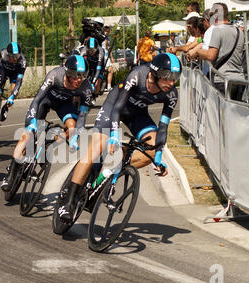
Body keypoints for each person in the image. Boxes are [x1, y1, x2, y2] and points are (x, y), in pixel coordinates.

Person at [57, 53, 180, 223]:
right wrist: (114, 134)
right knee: (96, 149)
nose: (172, 82)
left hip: (137, 115)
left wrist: (158, 156)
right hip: (113, 108)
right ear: (155, 73)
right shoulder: (137, 76)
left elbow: (163, 128)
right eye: (168, 77)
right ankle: (68, 202)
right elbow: (117, 109)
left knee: (151, 150)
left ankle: (114, 168)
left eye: (175, 77)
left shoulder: (171, 94)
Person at [0, 55, 94, 192]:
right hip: (45, 101)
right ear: (67, 72)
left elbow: (82, 115)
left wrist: (76, 135)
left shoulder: (86, 87)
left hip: (64, 105)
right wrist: (31, 122)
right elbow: (36, 100)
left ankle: (50, 141)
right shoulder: (54, 75)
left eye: (82, 75)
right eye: (75, 75)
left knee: (72, 129)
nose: (79, 79)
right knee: (28, 135)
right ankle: (10, 175)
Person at [186, 2, 245, 101]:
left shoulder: (217, 31)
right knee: (236, 114)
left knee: (220, 115)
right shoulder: (239, 31)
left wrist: (196, 52)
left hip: (222, 80)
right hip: (239, 79)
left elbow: (210, 55)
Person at [0, 42, 27, 122]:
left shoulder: (22, 61)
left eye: (17, 56)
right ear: (8, 54)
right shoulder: (2, 55)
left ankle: (6, 107)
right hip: (2, 70)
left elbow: (19, 81)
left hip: (14, 73)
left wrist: (12, 96)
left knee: (15, 92)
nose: (15, 59)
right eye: (13, 56)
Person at [102, 25, 115, 92]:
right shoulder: (100, 37)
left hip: (107, 55)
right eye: (106, 31)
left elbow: (108, 48)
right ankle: (101, 86)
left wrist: (111, 57)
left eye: (108, 31)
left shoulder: (108, 38)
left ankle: (109, 86)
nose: (108, 32)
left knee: (110, 70)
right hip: (101, 56)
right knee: (102, 71)